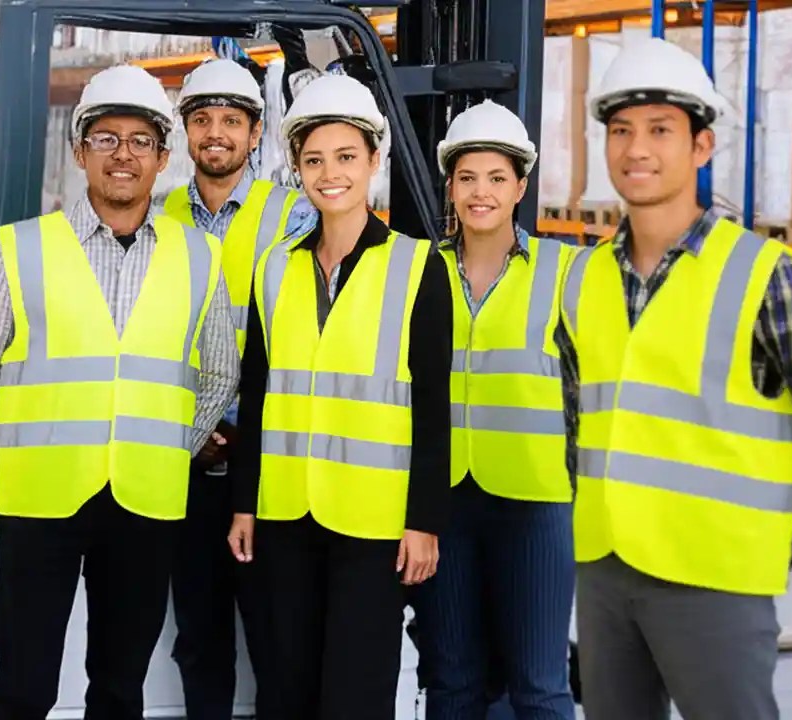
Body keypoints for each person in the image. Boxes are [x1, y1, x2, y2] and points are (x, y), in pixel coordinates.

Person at [0, 63, 240, 720]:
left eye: (140, 141)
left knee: (119, 686)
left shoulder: (197, 257)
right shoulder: (23, 248)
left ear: (163, 158)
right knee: (23, 686)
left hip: (145, 499)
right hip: (43, 495)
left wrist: (170, 447)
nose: (123, 156)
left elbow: (220, 372)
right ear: (80, 153)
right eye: (106, 139)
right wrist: (21, 438)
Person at [558, 37, 792, 720]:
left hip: (718, 583)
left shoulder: (768, 276)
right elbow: (575, 423)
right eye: (620, 132)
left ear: (701, 147)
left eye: (659, 131)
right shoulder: (583, 280)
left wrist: (767, 547)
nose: (635, 149)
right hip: (606, 574)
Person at [229, 73, 452, 720]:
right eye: (315, 160)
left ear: (375, 161)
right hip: (284, 513)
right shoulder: (275, 266)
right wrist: (244, 504)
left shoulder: (417, 266)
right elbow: (259, 391)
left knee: (355, 692)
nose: (331, 174)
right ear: (297, 169)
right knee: (284, 688)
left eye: (346, 157)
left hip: (373, 522)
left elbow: (434, 405)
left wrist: (424, 520)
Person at [410, 99, 576, 720]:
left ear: (520, 187)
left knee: (539, 684)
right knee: (452, 679)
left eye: (497, 178)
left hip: (534, 504)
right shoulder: (418, 272)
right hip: (444, 504)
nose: (481, 192)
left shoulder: (563, 271)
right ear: (450, 186)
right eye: (468, 177)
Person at [159, 57, 315, 720]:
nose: (215, 132)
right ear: (186, 132)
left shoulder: (296, 214)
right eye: (202, 120)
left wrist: (239, 429)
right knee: (199, 639)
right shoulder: (161, 213)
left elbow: (306, 338)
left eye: (230, 120)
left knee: (279, 639)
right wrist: (194, 431)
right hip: (184, 457)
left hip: (265, 459)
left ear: (257, 134)